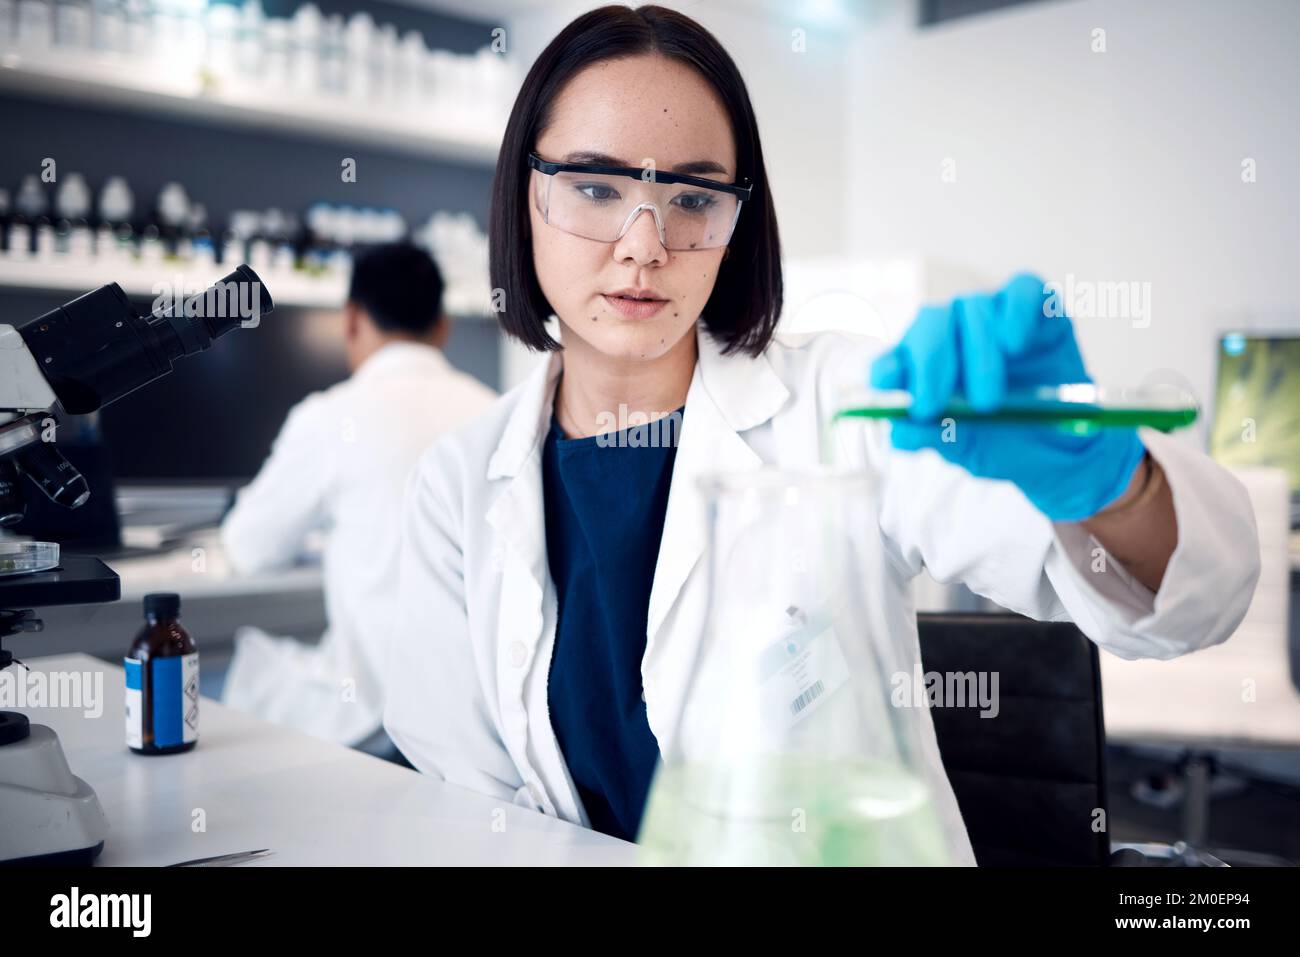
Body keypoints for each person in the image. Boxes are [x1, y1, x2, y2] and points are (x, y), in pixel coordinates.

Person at [381, 5, 1261, 859]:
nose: (646, 244)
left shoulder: (846, 403)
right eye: (597, 186)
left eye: (693, 196)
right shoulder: (456, 486)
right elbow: (468, 803)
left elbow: (1188, 605)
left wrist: (1102, 481)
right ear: (522, 194)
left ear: (738, 217)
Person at [219, 242, 497, 750]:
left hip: (377, 717)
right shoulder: (497, 412)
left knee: (245, 669)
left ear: (351, 321)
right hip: (485, 719)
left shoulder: (329, 416)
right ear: (443, 326)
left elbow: (247, 550)